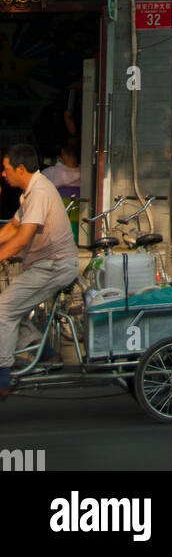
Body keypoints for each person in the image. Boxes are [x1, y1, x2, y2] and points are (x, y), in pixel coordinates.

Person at [0, 144, 80, 401]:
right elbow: (12, 227)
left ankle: (2, 380)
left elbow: (22, 239)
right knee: (11, 308)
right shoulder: (30, 192)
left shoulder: (40, 191)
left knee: (3, 311)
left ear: (20, 169)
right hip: (44, 266)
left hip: (54, 266)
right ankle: (48, 355)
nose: (3, 174)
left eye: (6, 169)